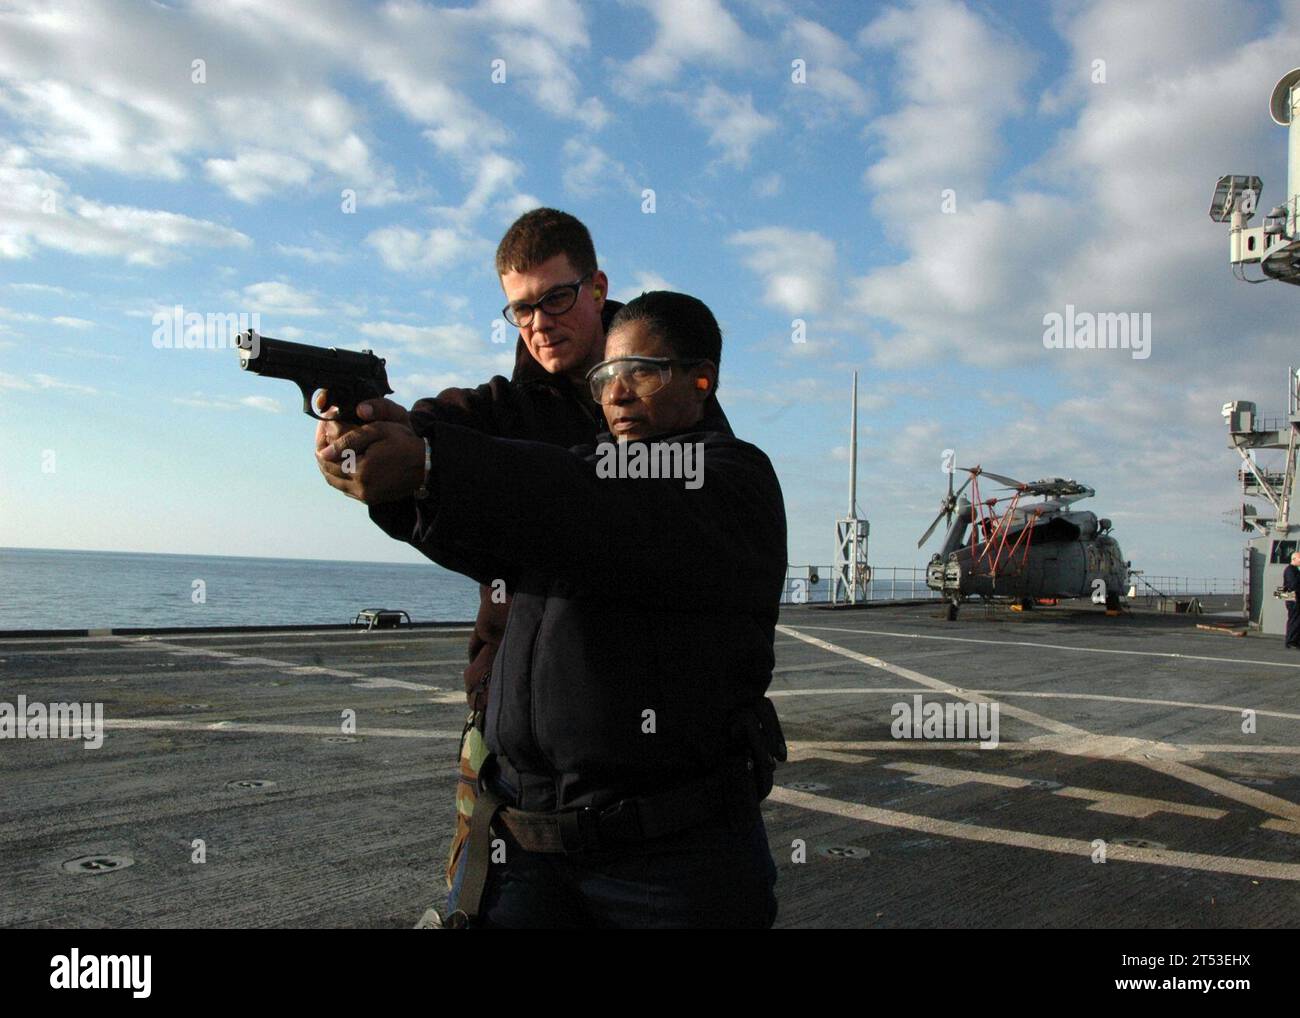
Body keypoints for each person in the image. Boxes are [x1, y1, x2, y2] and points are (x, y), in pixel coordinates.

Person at [319, 291, 787, 928]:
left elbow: (584, 501)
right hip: (527, 846)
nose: (616, 394)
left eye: (642, 372)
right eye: (606, 376)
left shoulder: (731, 479)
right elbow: (501, 525)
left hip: (674, 864)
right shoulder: (582, 477)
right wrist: (398, 466)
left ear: (702, 379)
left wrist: (431, 462)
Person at [1284, 551, 1300, 649]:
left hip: (1295, 597)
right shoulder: (1290, 570)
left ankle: (1295, 640)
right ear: (1293, 559)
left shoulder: (1295, 570)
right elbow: (1293, 584)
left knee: (1296, 619)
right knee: (1295, 619)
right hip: (1292, 599)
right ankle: (1291, 641)